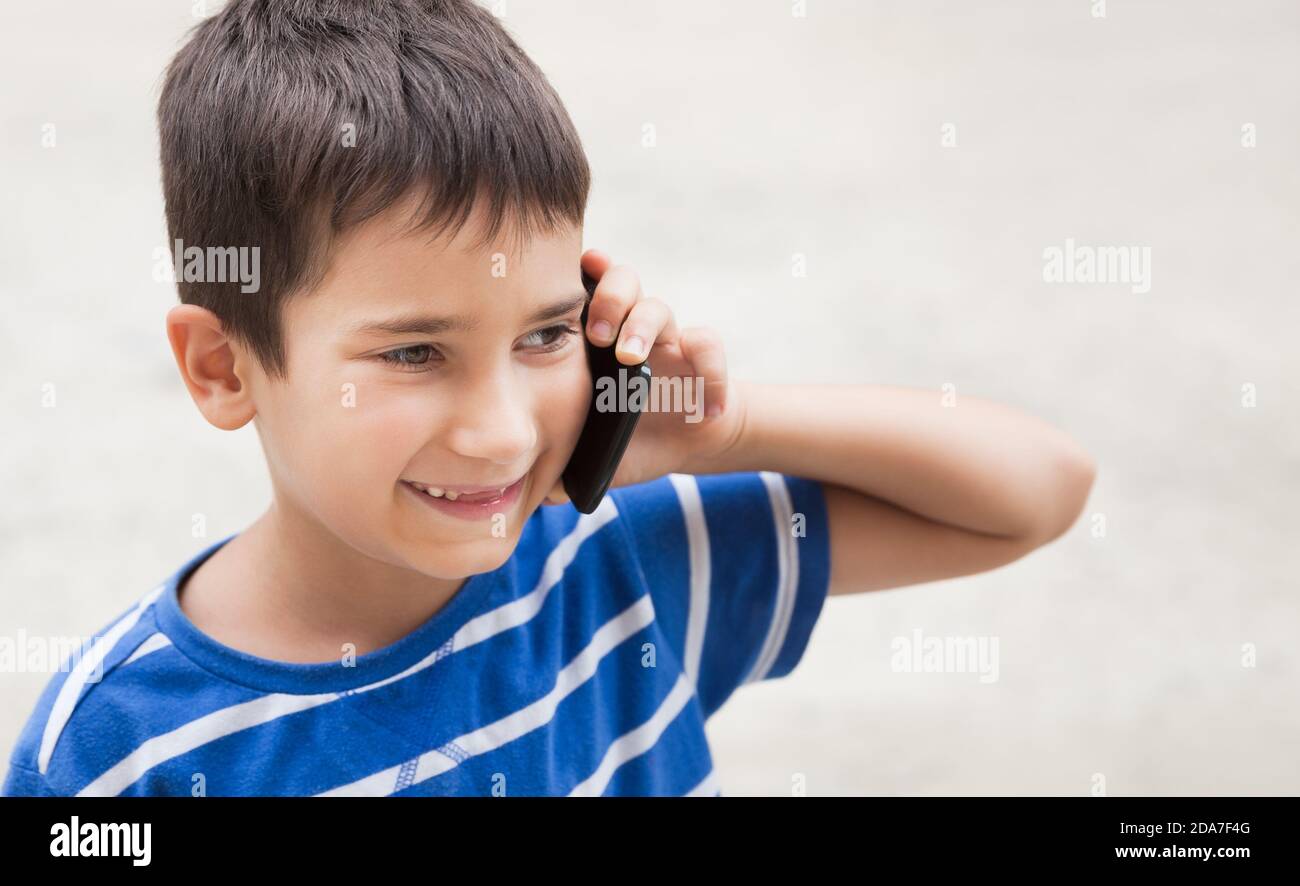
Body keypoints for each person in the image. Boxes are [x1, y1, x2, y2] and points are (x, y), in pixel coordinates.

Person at [1, 0, 1095, 796]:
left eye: (542, 333)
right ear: (224, 368)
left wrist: (731, 430)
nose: (503, 429)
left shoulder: (614, 565)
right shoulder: (119, 752)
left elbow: (1037, 491)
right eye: (414, 353)